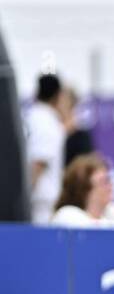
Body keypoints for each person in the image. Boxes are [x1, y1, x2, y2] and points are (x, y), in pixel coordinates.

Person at [25, 73, 66, 226]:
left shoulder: (30, 116)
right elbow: (38, 163)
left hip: (35, 200)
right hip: (41, 204)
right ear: (58, 96)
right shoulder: (47, 123)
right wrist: (25, 198)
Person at [50, 153, 114, 228]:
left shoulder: (113, 210)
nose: (110, 186)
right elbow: (92, 231)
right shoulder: (66, 214)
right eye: (104, 181)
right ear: (85, 189)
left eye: (109, 180)